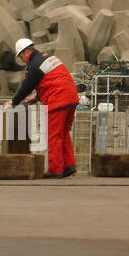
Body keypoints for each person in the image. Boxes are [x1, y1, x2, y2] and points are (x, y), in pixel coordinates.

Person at [7, 38, 80, 178]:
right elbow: (50, 80)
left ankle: (55, 169)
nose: (21, 60)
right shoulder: (47, 58)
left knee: (54, 135)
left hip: (58, 99)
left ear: (27, 51)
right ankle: (69, 165)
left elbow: (26, 86)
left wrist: (13, 102)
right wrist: (36, 98)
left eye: (21, 56)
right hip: (71, 97)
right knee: (63, 133)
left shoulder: (34, 65)